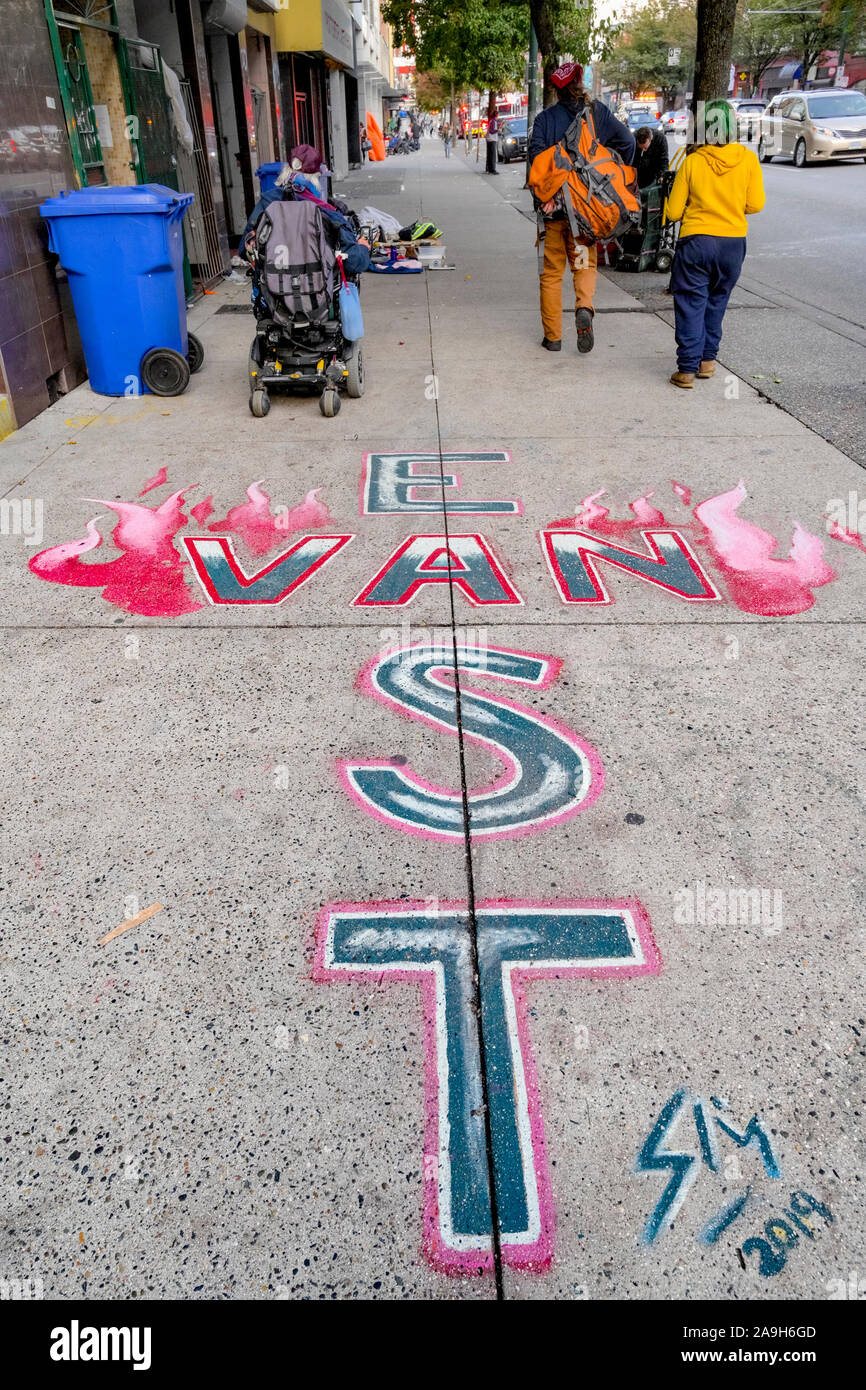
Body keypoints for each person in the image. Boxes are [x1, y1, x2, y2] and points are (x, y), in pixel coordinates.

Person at [528, 62, 636, 354]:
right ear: (581, 83)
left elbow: (535, 161)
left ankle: (553, 338)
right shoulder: (597, 113)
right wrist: (611, 171)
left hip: (552, 211)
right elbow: (627, 142)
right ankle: (584, 307)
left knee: (550, 273)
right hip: (587, 210)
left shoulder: (545, 120)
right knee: (584, 265)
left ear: (556, 89)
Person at [665, 98, 765, 388]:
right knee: (717, 301)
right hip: (733, 244)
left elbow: (672, 212)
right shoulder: (748, 160)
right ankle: (707, 362)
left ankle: (686, 370)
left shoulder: (693, 162)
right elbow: (756, 204)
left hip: (696, 242)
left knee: (690, 303)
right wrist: (732, 207)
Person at [242, 166, 371, 279]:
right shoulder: (328, 215)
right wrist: (363, 247)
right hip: (315, 295)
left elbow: (243, 249)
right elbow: (354, 262)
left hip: (273, 291)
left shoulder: (266, 205)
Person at [635, 125, 669, 189]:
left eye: (645, 148)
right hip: (638, 172)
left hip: (654, 171)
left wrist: (662, 176)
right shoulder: (633, 139)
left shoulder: (660, 139)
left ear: (650, 140)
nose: (643, 150)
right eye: (640, 148)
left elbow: (664, 160)